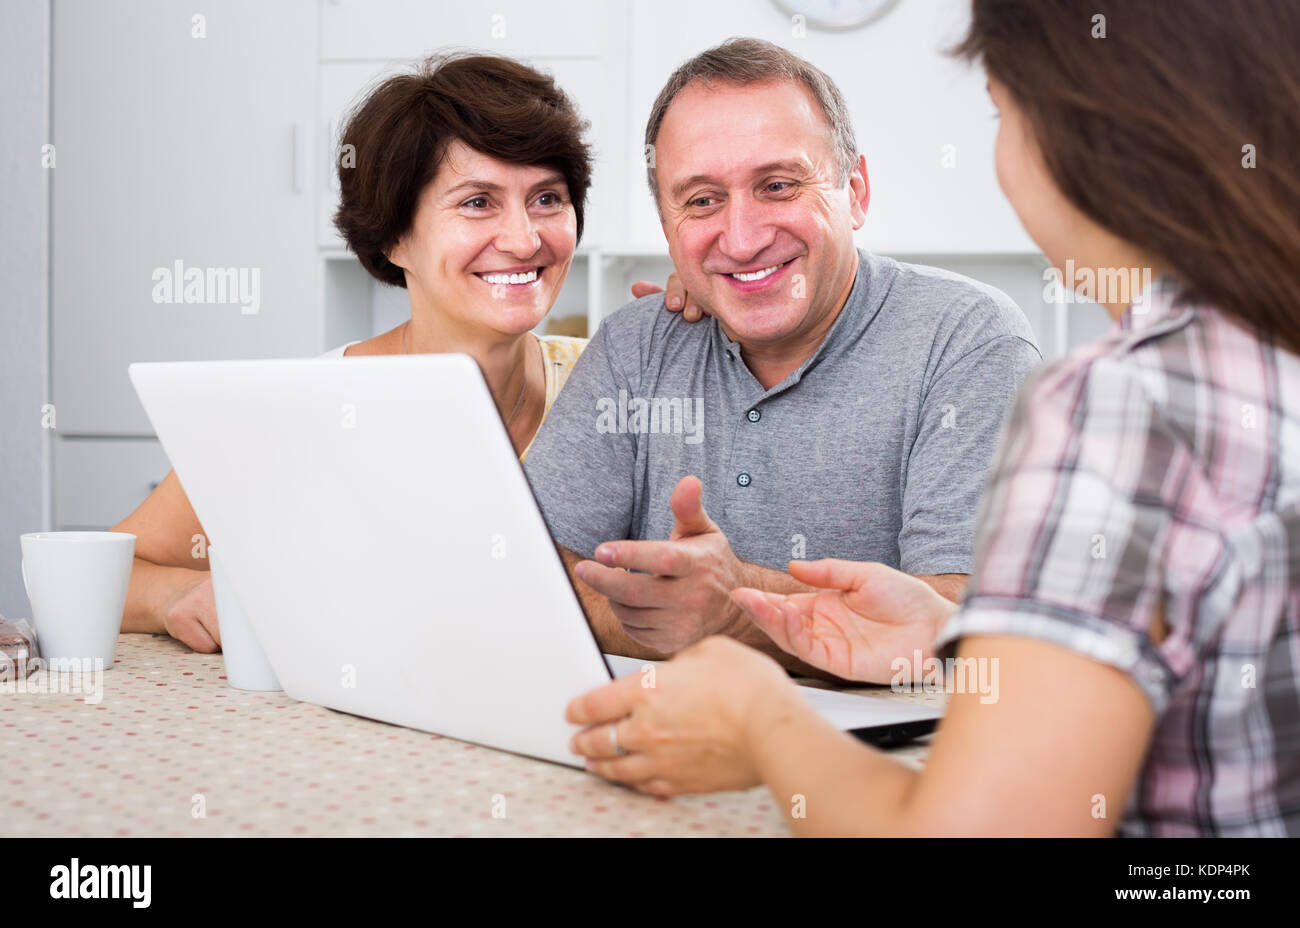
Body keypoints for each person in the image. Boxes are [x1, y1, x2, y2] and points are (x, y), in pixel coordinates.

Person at [565, 0, 1300, 837]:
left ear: (1080, 133)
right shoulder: (1260, 355)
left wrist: (758, 713)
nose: (740, 232)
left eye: (1000, 111)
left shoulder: (1121, 407)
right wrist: (950, 636)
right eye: (700, 200)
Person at [523, 38, 1041, 673]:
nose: (741, 241)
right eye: (703, 200)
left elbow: (962, 629)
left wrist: (734, 611)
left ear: (855, 191)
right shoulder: (634, 344)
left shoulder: (967, 340)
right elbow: (533, 577)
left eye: (777, 185)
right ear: (668, 228)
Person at [115, 53, 596, 653]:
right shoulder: (303, 408)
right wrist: (171, 598)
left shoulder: (611, 382)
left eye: (547, 198)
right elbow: (112, 572)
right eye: (478, 202)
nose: (525, 239)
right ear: (396, 235)